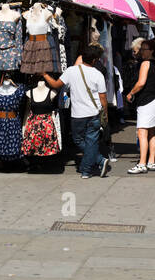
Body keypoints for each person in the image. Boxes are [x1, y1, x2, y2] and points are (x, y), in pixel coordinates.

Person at [43, 44, 109, 179]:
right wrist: (105, 114)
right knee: (91, 141)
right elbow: (103, 98)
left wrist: (44, 74)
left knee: (78, 139)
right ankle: (96, 162)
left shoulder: (71, 71)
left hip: (77, 114)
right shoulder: (98, 74)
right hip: (94, 113)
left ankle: (89, 168)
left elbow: (55, 85)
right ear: (94, 60)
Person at [125, 40, 155, 174]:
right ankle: (151, 161)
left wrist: (131, 92)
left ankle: (142, 163)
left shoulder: (145, 63)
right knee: (151, 133)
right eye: (141, 49)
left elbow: (141, 83)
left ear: (151, 51)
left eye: (144, 49)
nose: (141, 52)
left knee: (142, 133)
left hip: (147, 101)